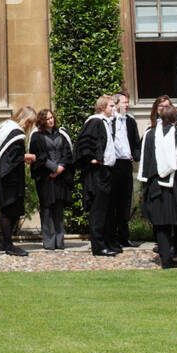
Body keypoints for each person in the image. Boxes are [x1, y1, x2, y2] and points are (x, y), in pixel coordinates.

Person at [138, 97, 177, 268]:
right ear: (176, 119)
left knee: (161, 224)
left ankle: (166, 259)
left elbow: (146, 161)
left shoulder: (149, 135)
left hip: (156, 185)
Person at [0, 105, 36, 257]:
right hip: (9, 179)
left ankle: (5, 242)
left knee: (10, 211)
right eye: (29, 122)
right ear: (25, 120)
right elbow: (11, 159)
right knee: (9, 211)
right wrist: (26, 157)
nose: (29, 126)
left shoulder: (6, 126)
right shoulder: (16, 134)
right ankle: (8, 245)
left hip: (2, 176)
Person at [76, 95, 120, 257]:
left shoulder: (105, 122)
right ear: (102, 108)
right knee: (98, 210)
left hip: (106, 170)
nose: (114, 108)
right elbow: (83, 143)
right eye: (111, 106)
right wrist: (92, 159)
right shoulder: (95, 121)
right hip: (97, 173)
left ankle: (106, 242)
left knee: (106, 209)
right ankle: (98, 246)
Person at [29, 108, 74, 251]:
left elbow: (67, 152)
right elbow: (38, 156)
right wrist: (53, 168)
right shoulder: (36, 137)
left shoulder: (61, 134)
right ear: (42, 121)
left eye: (52, 117)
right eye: (48, 118)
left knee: (59, 208)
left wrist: (61, 167)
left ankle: (59, 242)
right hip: (45, 177)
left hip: (60, 177)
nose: (51, 120)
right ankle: (49, 242)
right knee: (47, 208)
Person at [110, 92, 140, 247]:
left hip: (126, 164)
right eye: (123, 102)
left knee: (125, 201)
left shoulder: (130, 120)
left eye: (127, 102)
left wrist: (135, 155)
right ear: (115, 104)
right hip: (114, 165)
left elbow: (135, 140)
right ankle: (113, 237)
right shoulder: (110, 120)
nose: (126, 105)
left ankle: (124, 236)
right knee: (114, 201)